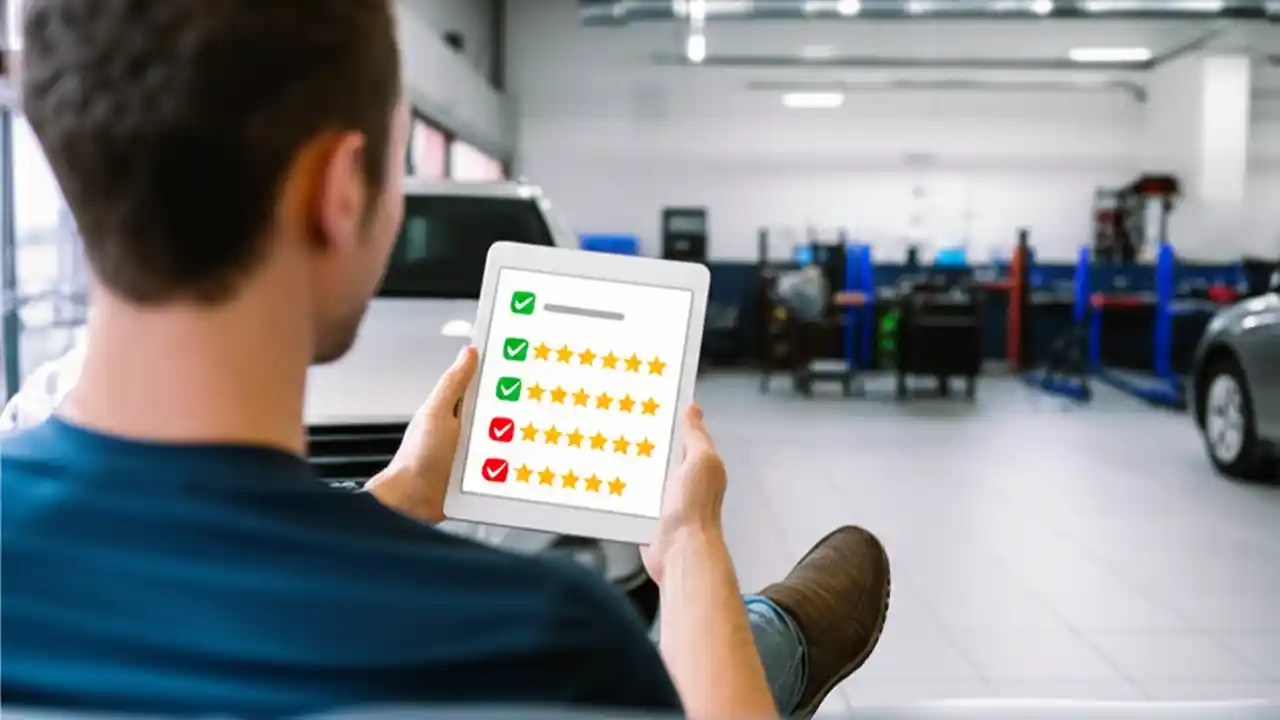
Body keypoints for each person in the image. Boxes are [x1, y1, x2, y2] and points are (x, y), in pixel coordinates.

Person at [0, 2, 891, 718]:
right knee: (719, 654)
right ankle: (779, 640)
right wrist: (691, 545)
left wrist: (394, 498)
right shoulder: (538, 642)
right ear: (341, 192)